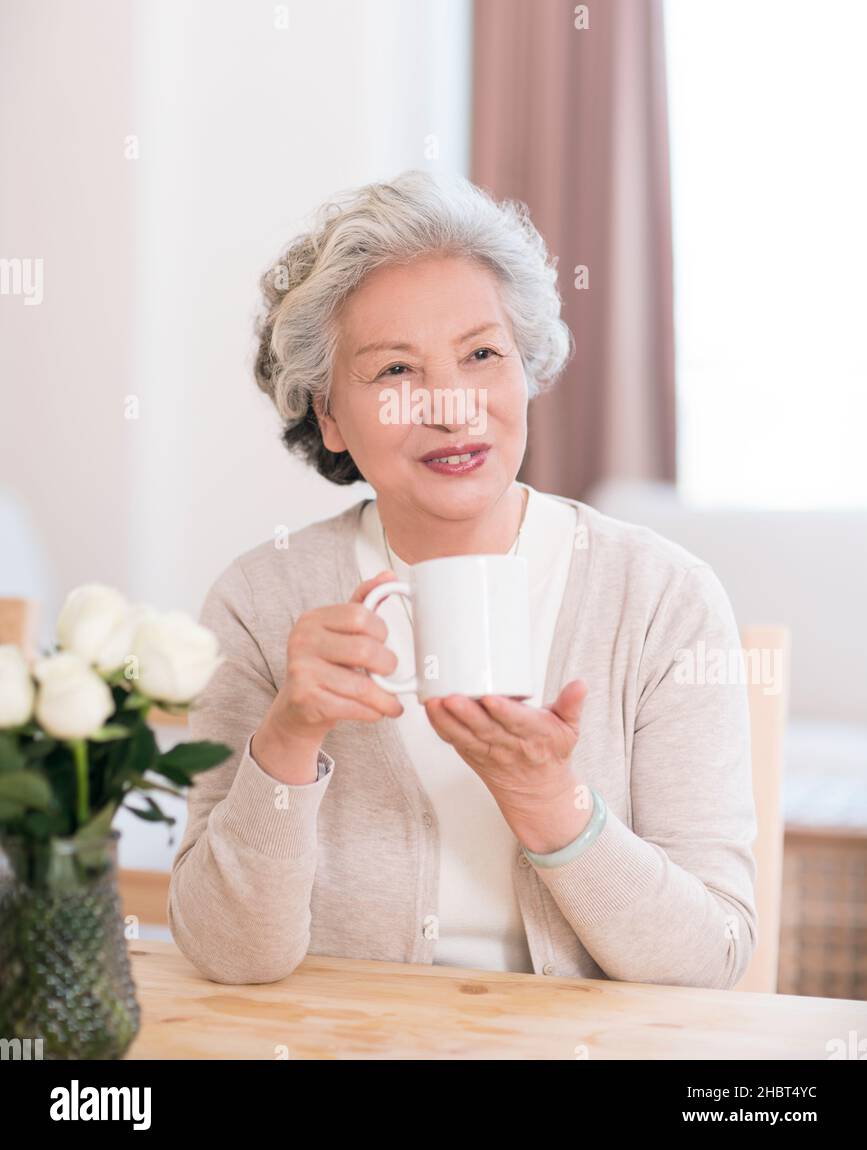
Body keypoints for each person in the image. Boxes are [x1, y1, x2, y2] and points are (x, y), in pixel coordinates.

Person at [168, 169, 758, 987]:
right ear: (329, 415)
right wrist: (290, 735)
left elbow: (709, 962)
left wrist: (551, 803)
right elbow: (230, 955)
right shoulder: (261, 599)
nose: (450, 408)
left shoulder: (661, 599)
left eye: (482, 354)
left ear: (526, 368)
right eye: (395, 372)